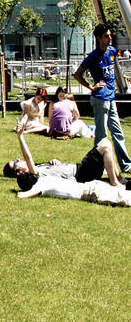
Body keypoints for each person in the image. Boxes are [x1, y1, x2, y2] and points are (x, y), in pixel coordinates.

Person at [10, 133, 131, 205]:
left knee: (106, 144)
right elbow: (28, 156)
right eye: (16, 164)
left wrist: (54, 163)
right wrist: (20, 135)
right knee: (105, 144)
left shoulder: (39, 169)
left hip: (81, 173)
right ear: (19, 172)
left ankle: (119, 180)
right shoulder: (36, 176)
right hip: (82, 174)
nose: (18, 160)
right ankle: (115, 182)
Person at [73, 24, 131, 173]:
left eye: (110, 36)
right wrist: (91, 86)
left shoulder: (112, 51)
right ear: (99, 38)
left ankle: (126, 165)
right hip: (100, 99)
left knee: (118, 133)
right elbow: (77, 74)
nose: (109, 38)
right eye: (106, 36)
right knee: (101, 135)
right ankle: (97, 166)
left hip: (111, 99)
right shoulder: (93, 56)